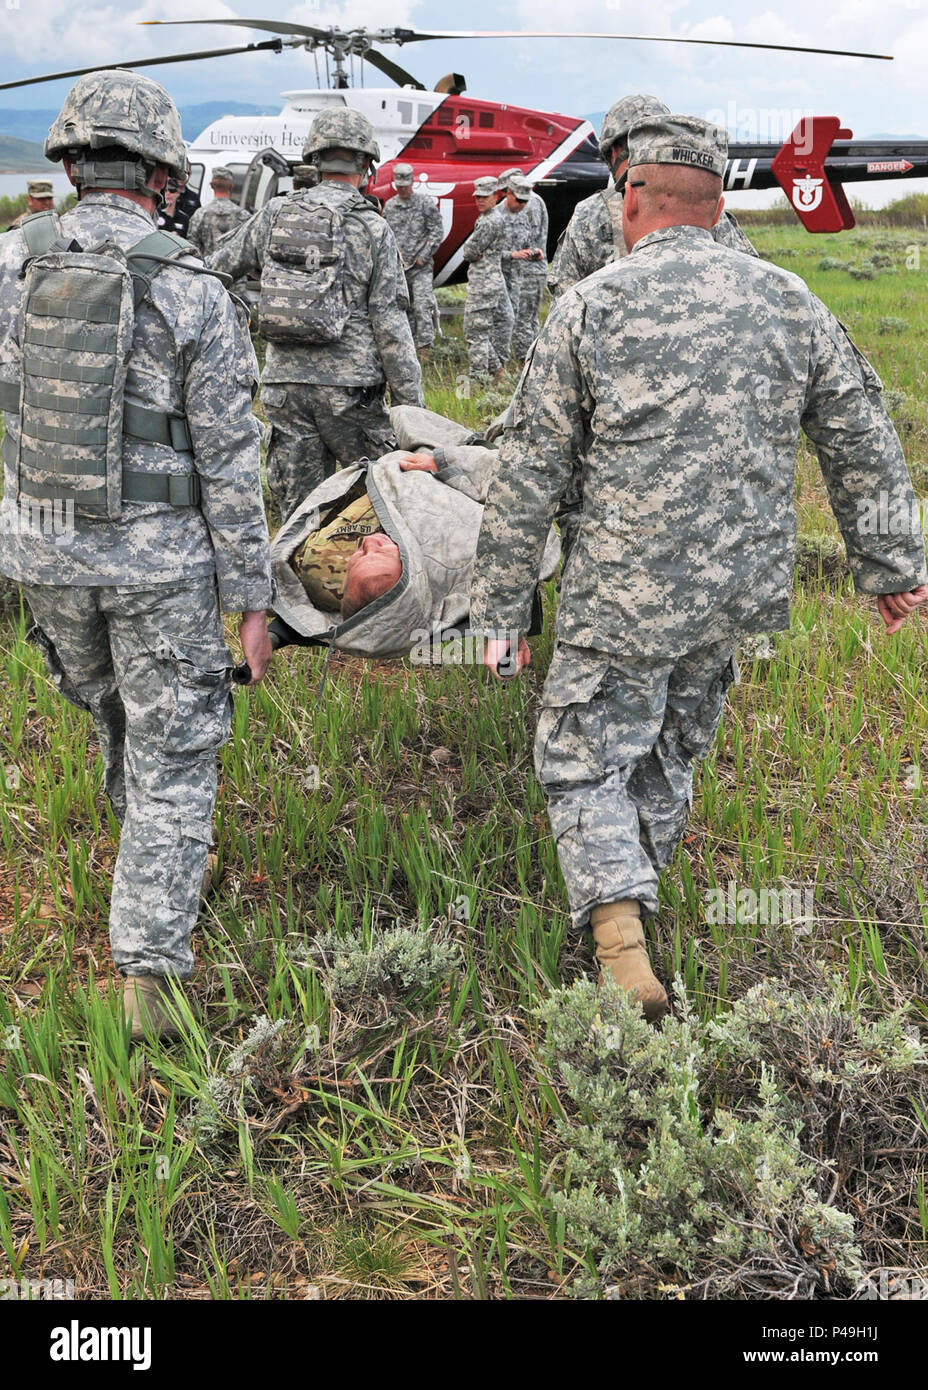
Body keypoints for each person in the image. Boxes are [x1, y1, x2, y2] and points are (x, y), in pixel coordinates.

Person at [471, 115, 928, 1022]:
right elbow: (863, 439)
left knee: (584, 757)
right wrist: (892, 567)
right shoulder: (791, 298)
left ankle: (619, 946)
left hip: (621, 594)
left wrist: (502, 603)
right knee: (671, 750)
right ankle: (634, 896)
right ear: (718, 202)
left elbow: (530, 471)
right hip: (736, 593)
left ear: (630, 195)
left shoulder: (591, 305)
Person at [0, 71, 274, 1041]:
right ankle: (151, 982)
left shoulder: (8, 265)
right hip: (158, 570)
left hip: (42, 554)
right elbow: (231, 461)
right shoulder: (192, 288)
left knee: (114, 712)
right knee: (174, 750)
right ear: (162, 174)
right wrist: (252, 597)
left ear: (70, 162)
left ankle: (145, 860)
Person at [209, 108, 423, 524]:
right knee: (370, 509)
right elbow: (391, 325)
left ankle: (294, 586)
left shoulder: (276, 214)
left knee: (300, 516)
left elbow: (214, 268)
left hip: (285, 389)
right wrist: (413, 411)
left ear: (315, 159)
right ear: (366, 164)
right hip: (351, 394)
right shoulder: (372, 227)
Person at [270, 405, 559, 657]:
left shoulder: (320, 577)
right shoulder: (465, 560)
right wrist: (508, 630)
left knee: (404, 419)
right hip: (483, 471)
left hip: (421, 470)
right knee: (524, 428)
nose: (370, 541)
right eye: (382, 552)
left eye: (361, 552)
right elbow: (523, 495)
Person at [548, 94, 756, 297]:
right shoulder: (701, 204)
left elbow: (566, 300)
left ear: (612, 151)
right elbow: (750, 283)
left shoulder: (589, 215)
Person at [383, 162, 443, 351]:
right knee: (403, 308)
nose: (402, 189)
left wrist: (423, 257)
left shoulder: (425, 203)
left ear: (412, 182)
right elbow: (386, 235)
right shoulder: (391, 206)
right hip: (399, 269)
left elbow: (437, 231)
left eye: (405, 186)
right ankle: (408, 347)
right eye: (399, 186)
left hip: (420, 268)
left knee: (422, 306)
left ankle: (425, 348)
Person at [461, 176, 512, 383]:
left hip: (483, 283)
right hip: (492, 281)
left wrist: (472, 252)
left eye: (484, 196)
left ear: (495, 196)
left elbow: (469, 251)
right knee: (480, 332)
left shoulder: (489, 221)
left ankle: (478, 381)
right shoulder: (493, 217)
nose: (479, 201)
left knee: (475, 334)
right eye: (477, 197)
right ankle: (497, 372)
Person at [506, 175, 548, 361]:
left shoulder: (530, 203)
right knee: (530, 320)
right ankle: (536, 358)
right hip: (531, 270)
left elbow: (530, 238)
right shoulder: (533, 200)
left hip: (529, 270)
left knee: (523, 319)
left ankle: (525, 362)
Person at [184, 165, 250, 258]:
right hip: (234, 271)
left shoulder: (200, 214)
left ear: (211, 186)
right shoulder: (243, 215)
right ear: (231, 186)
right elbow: (248, 248)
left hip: (207, 270)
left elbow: (192, 246)